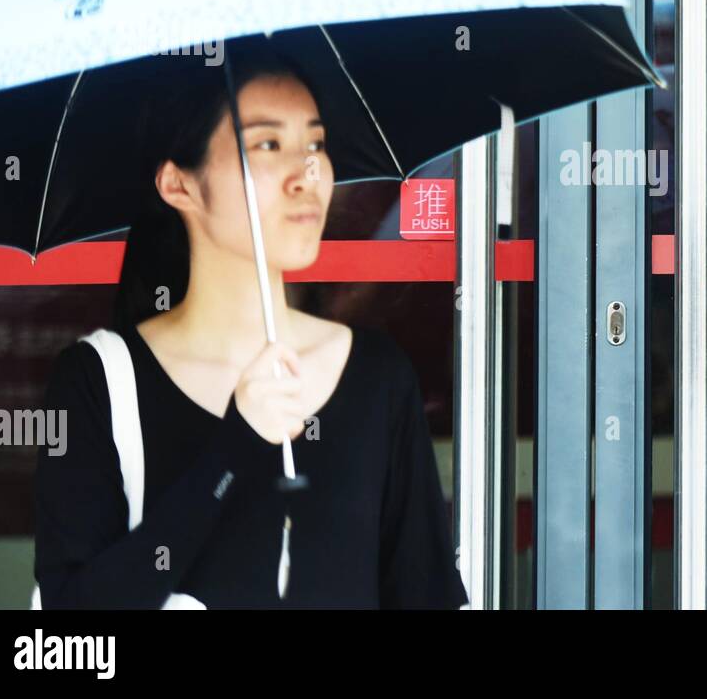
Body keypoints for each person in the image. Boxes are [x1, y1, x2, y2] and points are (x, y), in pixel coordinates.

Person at [32, 45, 468, 609]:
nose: (306, 174)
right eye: (266, 144)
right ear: (179, 186)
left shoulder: (378, 379)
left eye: (315, 143)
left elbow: (426, 594)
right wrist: (235, 447)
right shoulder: (97, 384)